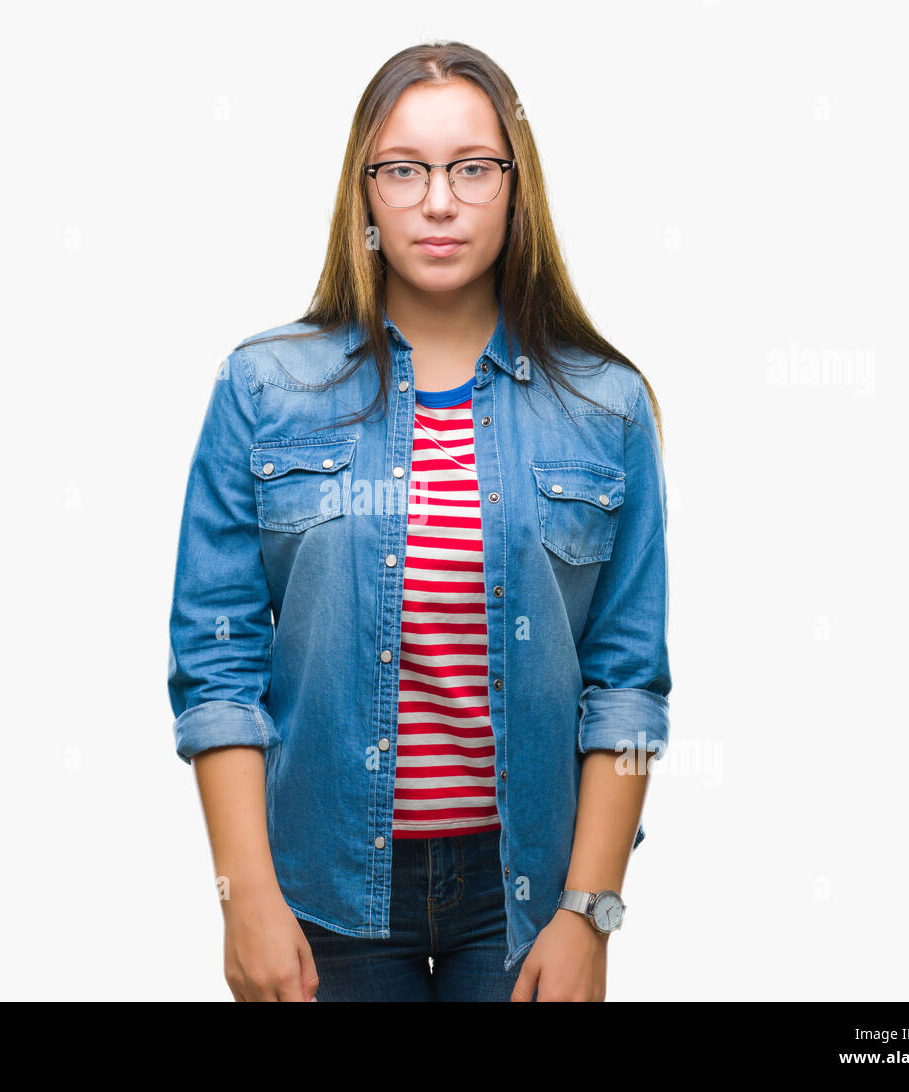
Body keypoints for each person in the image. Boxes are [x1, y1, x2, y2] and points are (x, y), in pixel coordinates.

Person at [168, 40, 671, 1002]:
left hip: (524, 896)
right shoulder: (265, 389)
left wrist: (590, 914)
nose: (438, 201)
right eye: (403, 170)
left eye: (472, 168)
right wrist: (247, 899)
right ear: (364, 194)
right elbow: (217, 662)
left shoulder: (608, 409)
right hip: (321, 887)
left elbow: (628, 687)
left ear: (516, 190)